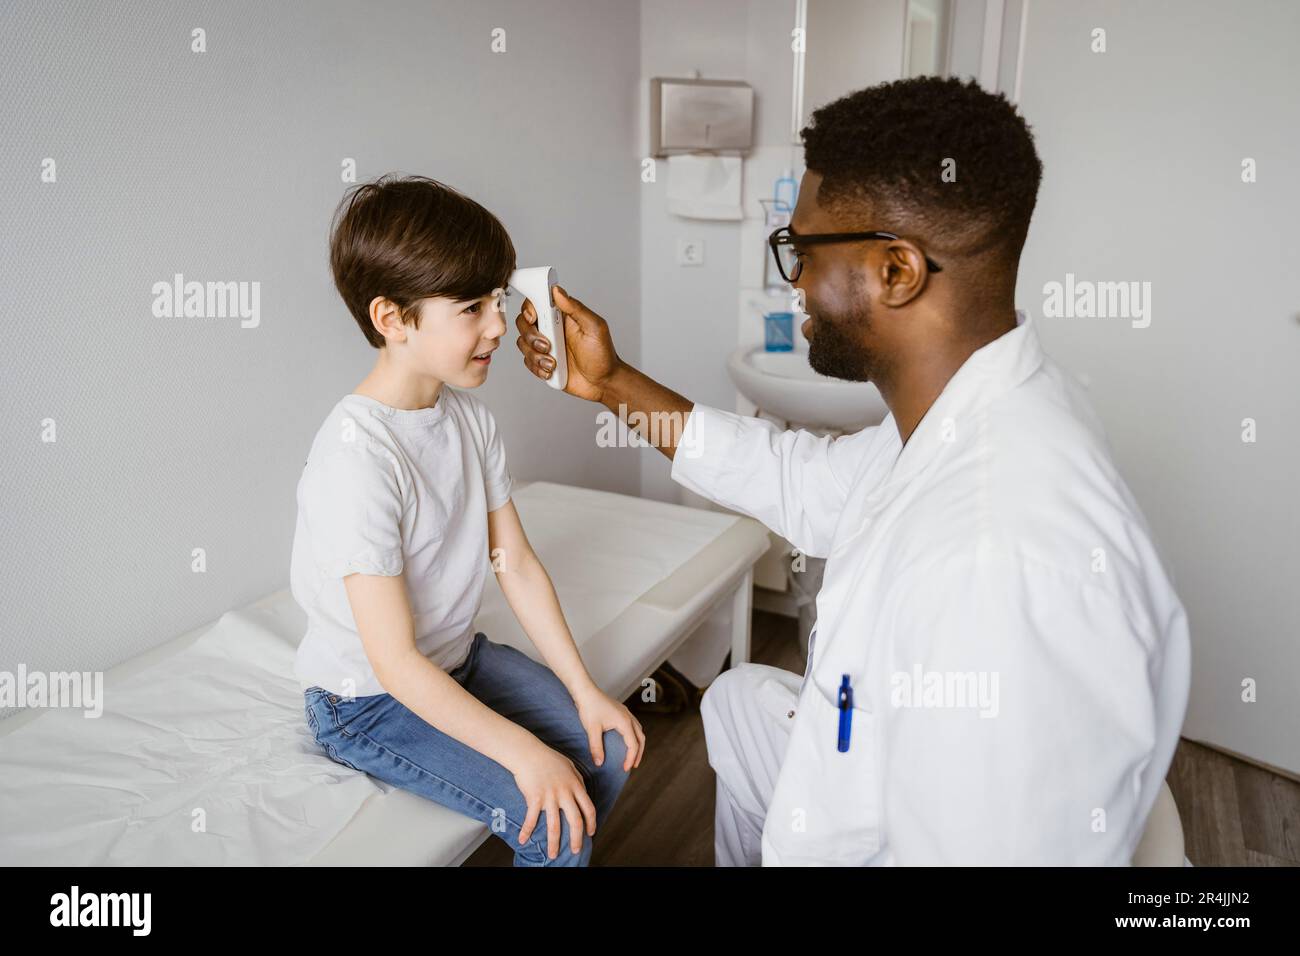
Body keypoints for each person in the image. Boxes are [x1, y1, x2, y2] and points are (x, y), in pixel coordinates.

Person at [515, 77, 1189, 865]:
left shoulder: (999, 565)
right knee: (738, 701)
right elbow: (799, 481)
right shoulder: (966, 410)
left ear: (897, 271)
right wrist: (610, 382)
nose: (792, 280)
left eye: (801, 251)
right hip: (874, 769)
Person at [290, 175, 644, 866]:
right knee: (552, 818)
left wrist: (586, 691)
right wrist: (525, 753)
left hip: (456, 663)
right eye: (473, 307)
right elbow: (393, 664)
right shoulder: (357, 458)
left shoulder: (467, 419)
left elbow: (516, 565)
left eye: (499, 299)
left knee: (607, 753)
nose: (497, 325)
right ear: (392, 319)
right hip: (367, 701)